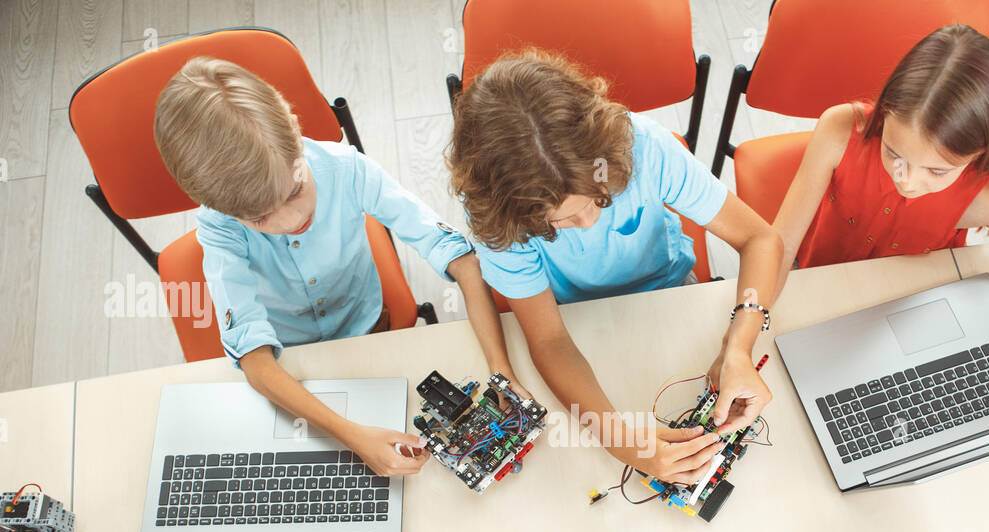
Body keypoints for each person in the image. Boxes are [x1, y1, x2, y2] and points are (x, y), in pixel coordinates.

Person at [154, 56, 525, 476]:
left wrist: (501, 370)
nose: (290, 221)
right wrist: (352, 436)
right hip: (292, 363)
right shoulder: (218, 225)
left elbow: (459, 256)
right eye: (260, 220)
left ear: (294, 128)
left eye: (295, 190)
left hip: (371, 326)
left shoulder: (346, 168)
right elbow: (256, 362)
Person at [447, 51, 784, 486]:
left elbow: (760, 239)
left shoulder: (644, 147)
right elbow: (549, 339)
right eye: (562, 219)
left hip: (669, 295)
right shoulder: (498, 218)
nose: (588, 221)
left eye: (598, 199)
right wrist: (619, 440)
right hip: (571, 321)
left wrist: (739, 344)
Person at [772, 24, 989, 355]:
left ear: (977, 154)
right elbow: (781, 247)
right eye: (894, 153)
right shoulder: (841, 128)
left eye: (937, 171)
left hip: (907, 326)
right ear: (884, 112)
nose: (906, 181)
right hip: (814, 292)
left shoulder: (986, 199)